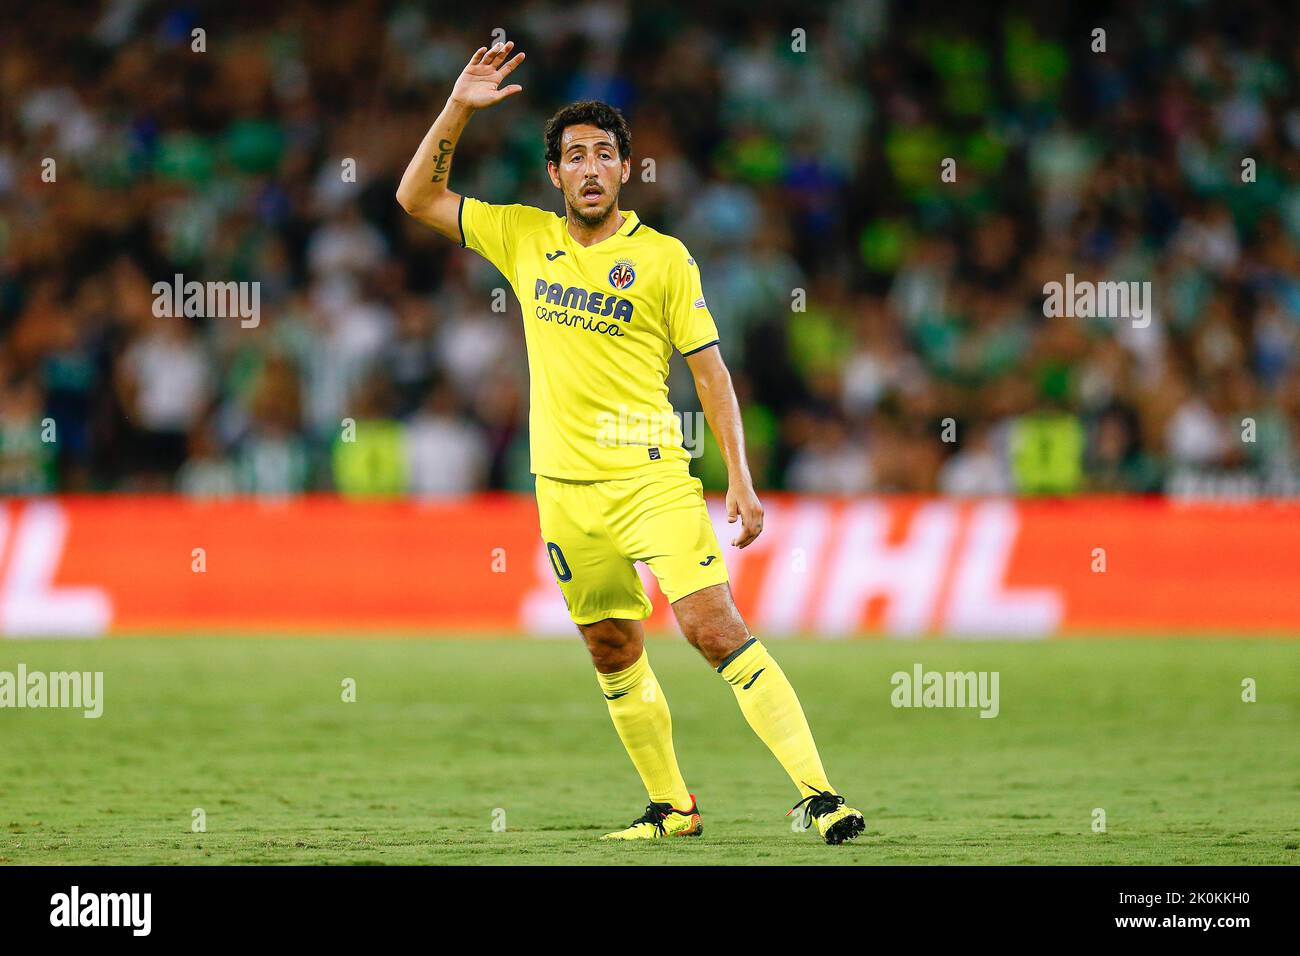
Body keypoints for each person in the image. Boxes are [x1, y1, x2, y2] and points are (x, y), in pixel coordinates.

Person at [396, 41, 864, 845]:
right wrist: (460, 108)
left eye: (604, 155)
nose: (589, 168)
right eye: (574, 155)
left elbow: (712, 376)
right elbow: (416, 196)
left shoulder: (663, 260)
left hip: (652, 477)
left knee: (711, 626)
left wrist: (741, 482)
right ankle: (672, 809)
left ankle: (820, 795)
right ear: (554, 174)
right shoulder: (521, 237)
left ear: (623, 171)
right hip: (563, 489)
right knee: (611, 645)